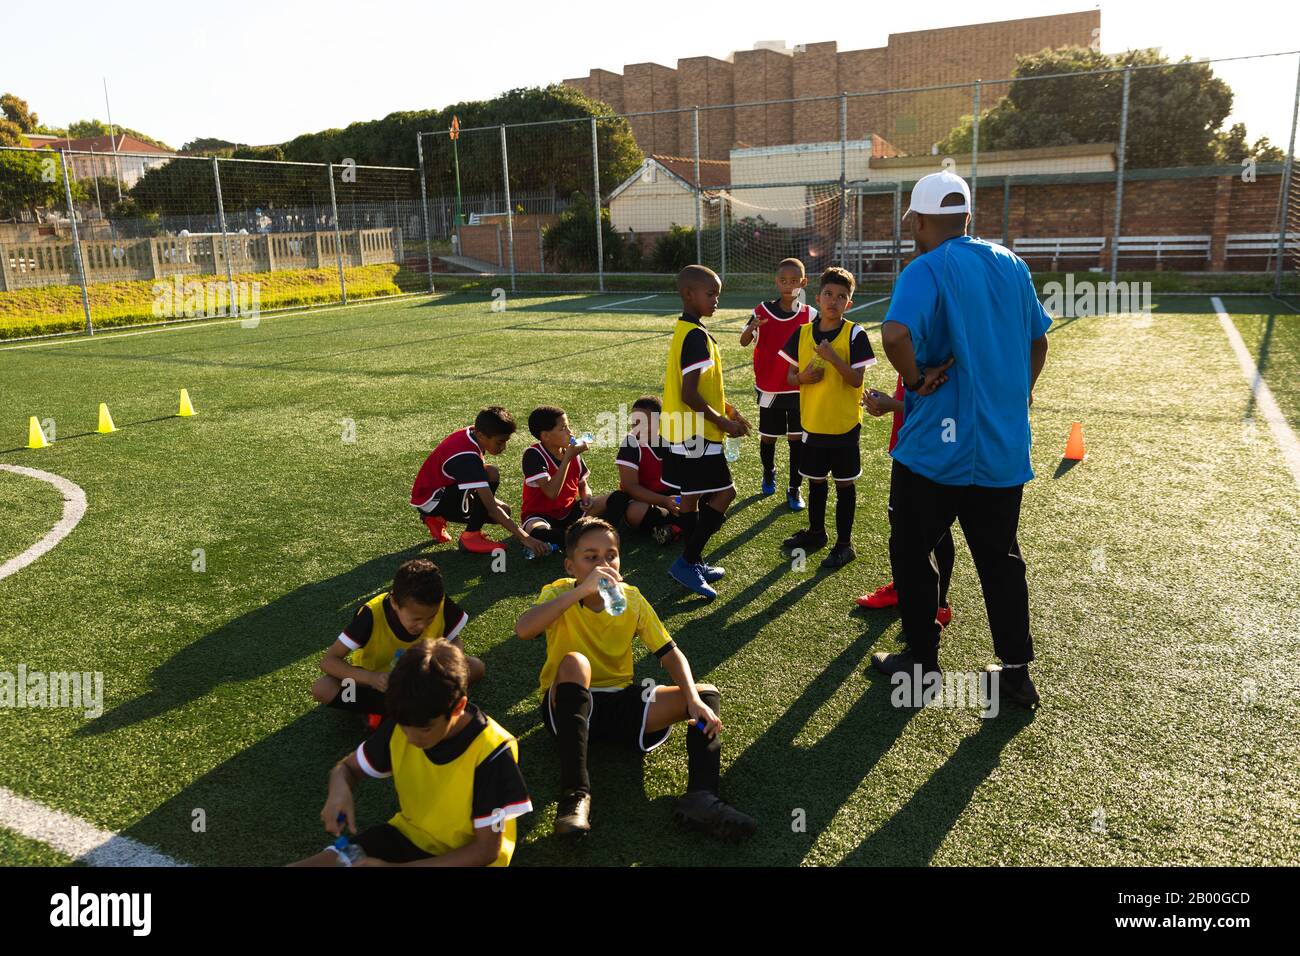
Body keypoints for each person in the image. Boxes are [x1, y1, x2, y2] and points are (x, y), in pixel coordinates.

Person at [870, 169, 1050, 709]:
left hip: (933, 451)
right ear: (968, 217)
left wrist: (917, 378)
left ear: (922, 220)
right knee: (1000, 558)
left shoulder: (925, 267)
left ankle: (923, 665)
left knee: (911, 549)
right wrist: (1018, 395)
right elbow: (1038, 343)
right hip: (999, 447)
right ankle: (1015, 673)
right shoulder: (1011, 264)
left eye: (914, 223)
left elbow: (896, 334)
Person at [514, 517, 756, 842]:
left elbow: (670, 653)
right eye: (591, 557)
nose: (604, 564)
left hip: (619, 704)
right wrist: (580, 592)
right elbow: (524, 629)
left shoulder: (632, 598)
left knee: (704, 694)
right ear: (570, 566)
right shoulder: (557, 592)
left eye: (611, 554)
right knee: (575, 662)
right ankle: (575, 796)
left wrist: (693, 700)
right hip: (566, 704)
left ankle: (702, 797)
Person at [290, 639, 532, 867]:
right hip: (408, 836)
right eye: (404, 727)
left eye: (424, 729)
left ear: (458, 706)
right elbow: (347, 768)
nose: (412, 739)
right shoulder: (407, 720)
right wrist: (339, 789)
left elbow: (485, 851)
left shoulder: (493, 752)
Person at [660, 264, 751, 599]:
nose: (716, 301)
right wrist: (723, 423)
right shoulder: (696, 337)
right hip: (695, 433)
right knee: (726, 493)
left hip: (683, 430)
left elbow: (703, 389)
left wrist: (729, 410)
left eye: (718, 295)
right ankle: (685, 563)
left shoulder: (688, 330)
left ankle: (693, 558)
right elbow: (690, 394)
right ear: (688, 294)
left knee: (692, 496)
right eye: (710, 294)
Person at [778, 266, 877, 570]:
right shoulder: (804, 332)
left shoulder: (854, 333)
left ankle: (844, 545)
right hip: (813, 423)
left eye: (841, 297)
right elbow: (790, 376)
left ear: (849, 303)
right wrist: (803, 378)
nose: (833, 301)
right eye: (828, 295)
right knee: (816, 481)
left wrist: (834, 357)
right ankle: (817, 533)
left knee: (844, 485)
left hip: (844, 425)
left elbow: (856, 381)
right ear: (817, 298)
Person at [311, 559, 484, 731]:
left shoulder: (439, 602)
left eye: (431, 618)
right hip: (378, 683)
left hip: (422, 678)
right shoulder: (371, 615)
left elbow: (454, 640)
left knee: (475, 667)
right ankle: (405, 711)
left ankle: (390, 714)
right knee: (323, 688)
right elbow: (329, 661)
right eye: (416, 619)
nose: (424, 625)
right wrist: (371, 678)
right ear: (394, 603)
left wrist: (448, 667)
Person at [855, 377, 954, 629]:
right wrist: (890, 403)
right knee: (913, 524)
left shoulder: (932, 343)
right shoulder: (915, 341)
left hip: (929, 447)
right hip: (912, 442)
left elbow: (941, 403)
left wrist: (893, 405)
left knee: (933, 528)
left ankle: (937, 604)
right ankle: (907, 590)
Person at [410, 405, 549, 556]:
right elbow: (491, 509)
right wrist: (526, 538)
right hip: (431, 500)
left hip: (437, 491)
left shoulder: (475, 432)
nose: (503, 447)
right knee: (491, 475)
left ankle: (435, 518)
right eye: (500, 442)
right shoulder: (467, 457)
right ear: (481, 435)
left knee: (505, 509)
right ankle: (470, 536)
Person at [740, 257, 815, 510]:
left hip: (799, 386)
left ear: (803, 283)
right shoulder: (762, 310)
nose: (788, 285)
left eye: (794, 281)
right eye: (783, 280)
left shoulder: (810, 314)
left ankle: (795, 487)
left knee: (797, 440)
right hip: (770, 387)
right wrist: (752, 328)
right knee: (769, 438)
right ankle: (769, 471)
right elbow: (743, 340)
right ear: (776, 281)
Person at [520, 405, 608, 552]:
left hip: (570, 512)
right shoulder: (533, 454)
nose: (570, 432)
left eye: (568, 426)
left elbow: (582, 483)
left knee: (617, 498)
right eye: (563, 429)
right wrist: (567, 458)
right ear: (545, 436)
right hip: (541, 516)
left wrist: (587, 496)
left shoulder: (570, 452)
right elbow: (551, 492)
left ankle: (576, 536)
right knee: (537, 531)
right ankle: (584, 535)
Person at [602, 395, 681, 544]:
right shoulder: (631, 444)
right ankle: (680, 526)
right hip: (645, 499)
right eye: (634, 423)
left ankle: (672, 528)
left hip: (673, 497)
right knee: (634, 512)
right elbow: (630, 486)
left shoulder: (673, 438)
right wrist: (664, 501)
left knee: (711, 493)